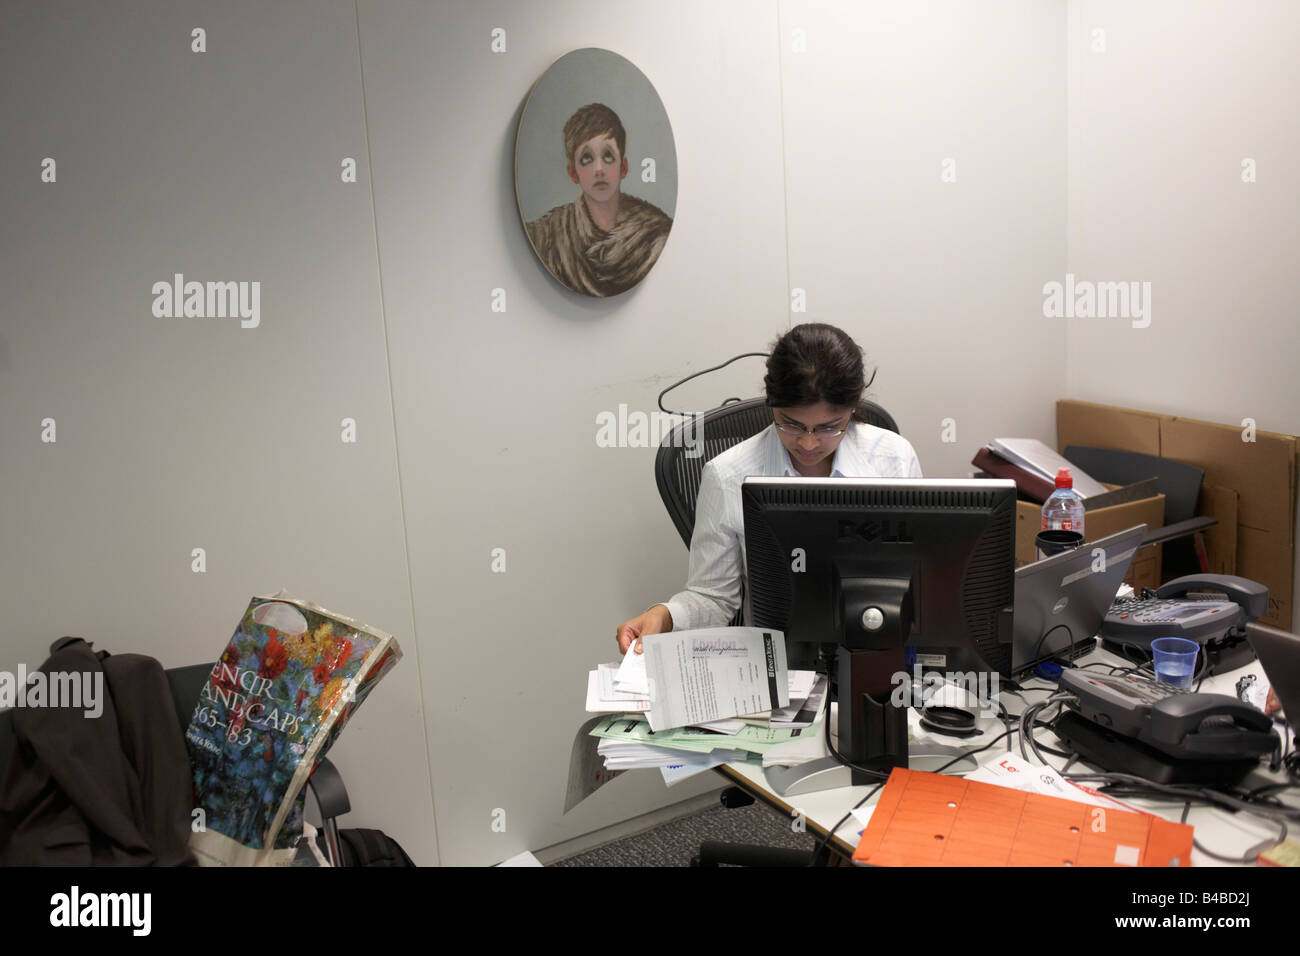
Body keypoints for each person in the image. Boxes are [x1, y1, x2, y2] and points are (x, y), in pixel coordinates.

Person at [615, 323, 923, 654]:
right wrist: (664, 616)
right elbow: (714, 597)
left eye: (828, 427)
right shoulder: (728, 476)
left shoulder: (892, 458)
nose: (808, 442)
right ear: (770, 400)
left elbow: (920, 578)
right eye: (790, 423)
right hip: (778, 662)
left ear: (855, 403)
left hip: (879, 648)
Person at [525, 103, 673, 297]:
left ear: (623, 167)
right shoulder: (549, 236)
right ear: (573, 173)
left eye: (608, 156)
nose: (599, 169)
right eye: (587, 158)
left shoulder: (654, 236)